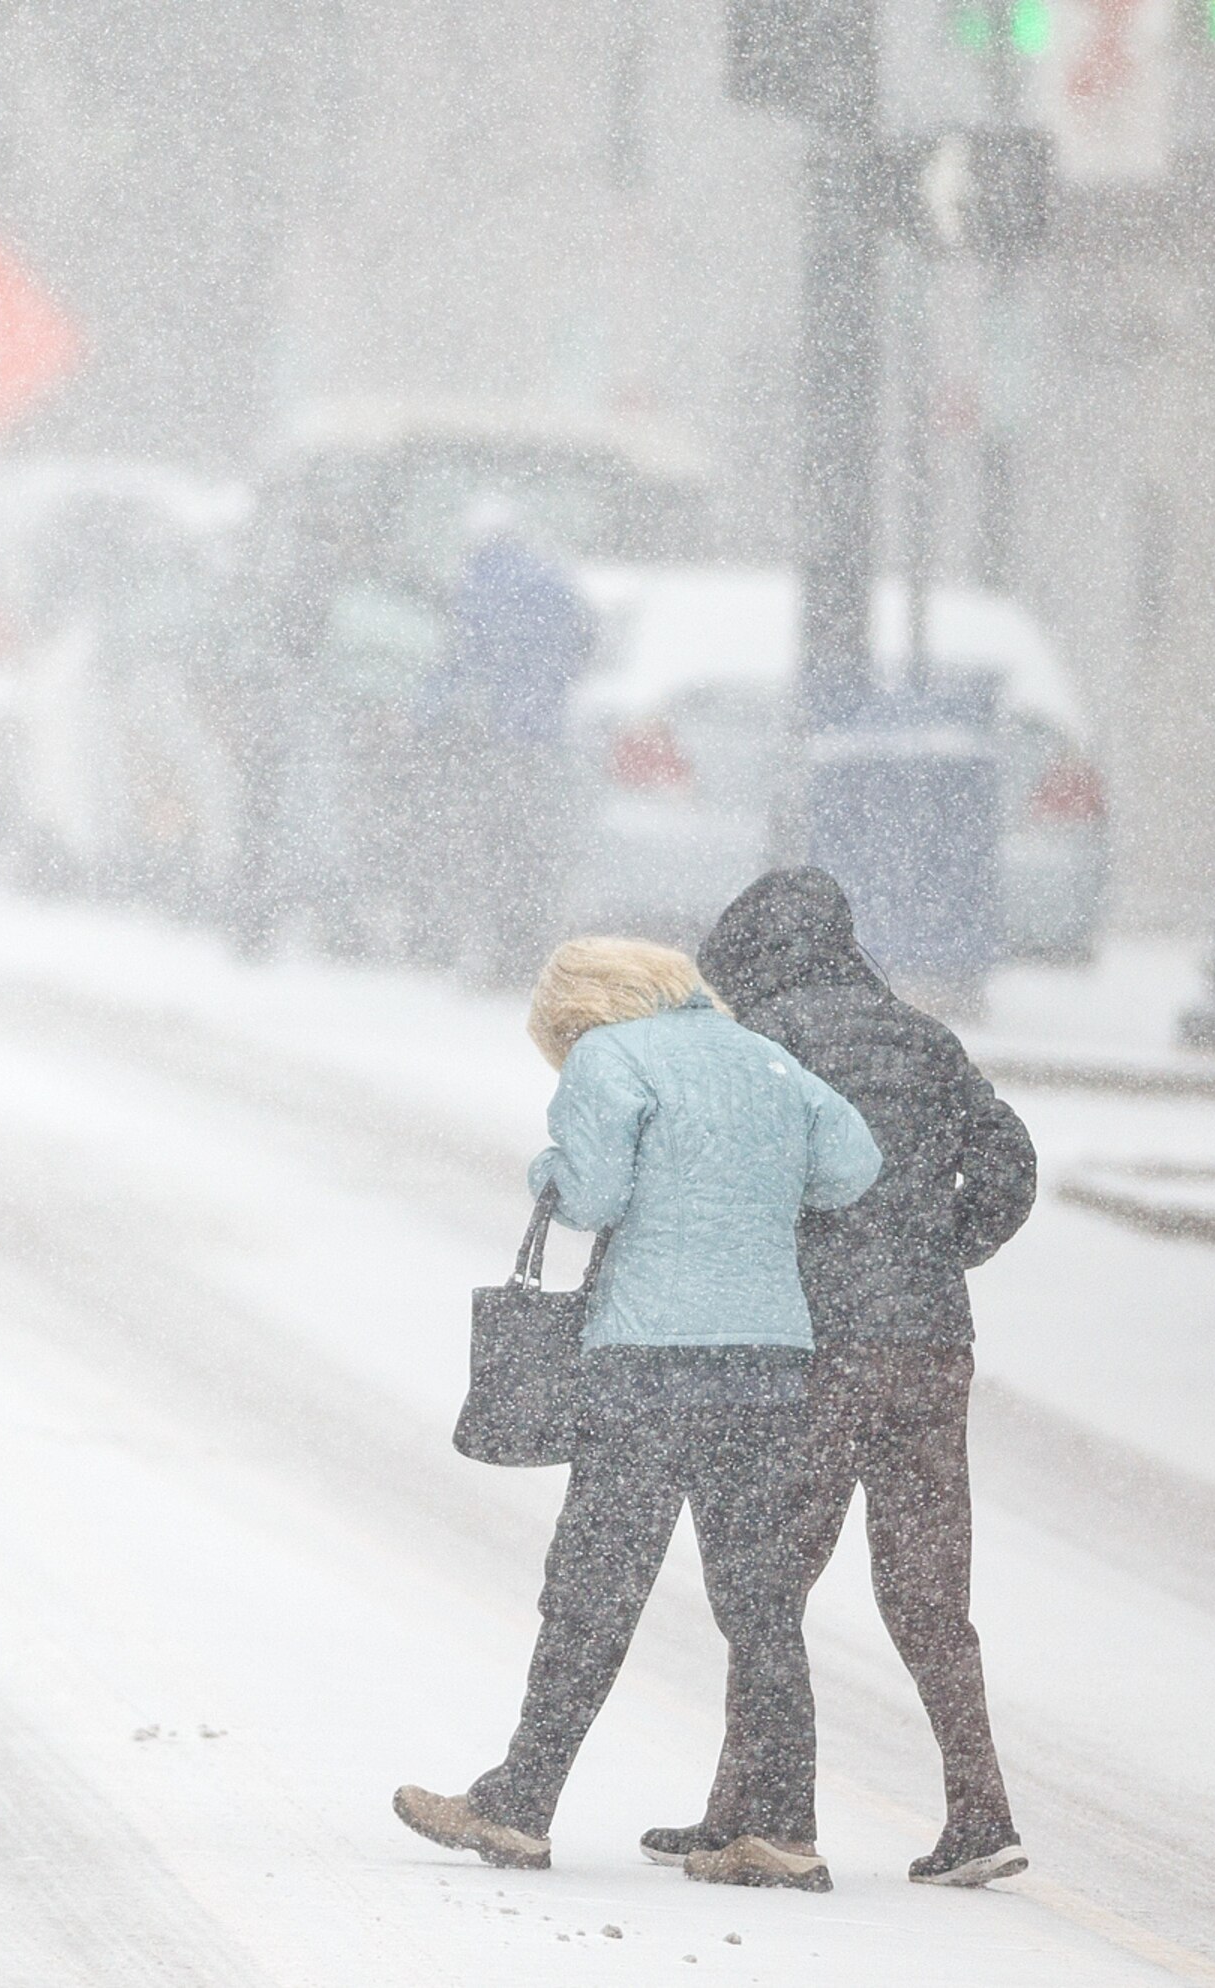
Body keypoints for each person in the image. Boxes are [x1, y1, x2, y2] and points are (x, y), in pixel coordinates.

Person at [396, 937, 880, 1891]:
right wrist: (752, 1195)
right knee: (761, 1604)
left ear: (575, 1011)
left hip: (648, 1363)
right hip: (767, 1365)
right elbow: (851, 1168)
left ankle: (518, 1807)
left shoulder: (609, 1057)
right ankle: (783, 1828)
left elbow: (593, 1193)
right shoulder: (764, 1056)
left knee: (594, 1592)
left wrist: (549, 1169)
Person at [644, 868, 1040, 1889]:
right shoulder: (922, 1035)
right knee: (928, 1590)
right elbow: (1010, 1160)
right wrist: (938, 1248)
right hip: (929, 1348)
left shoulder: (763, 1041)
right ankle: (980, 1809)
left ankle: (773, 1820)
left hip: (817, 1346)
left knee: (765, 1581)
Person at [414, 497, 594, 983]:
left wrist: (429, 713)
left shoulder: (480, 583)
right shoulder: (552, 579)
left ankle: (499, 953)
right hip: (544, 736)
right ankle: (531, 951)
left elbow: (463, 656)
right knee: (535, 849)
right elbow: (581, 645)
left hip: (494, 737)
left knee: (492, 847)